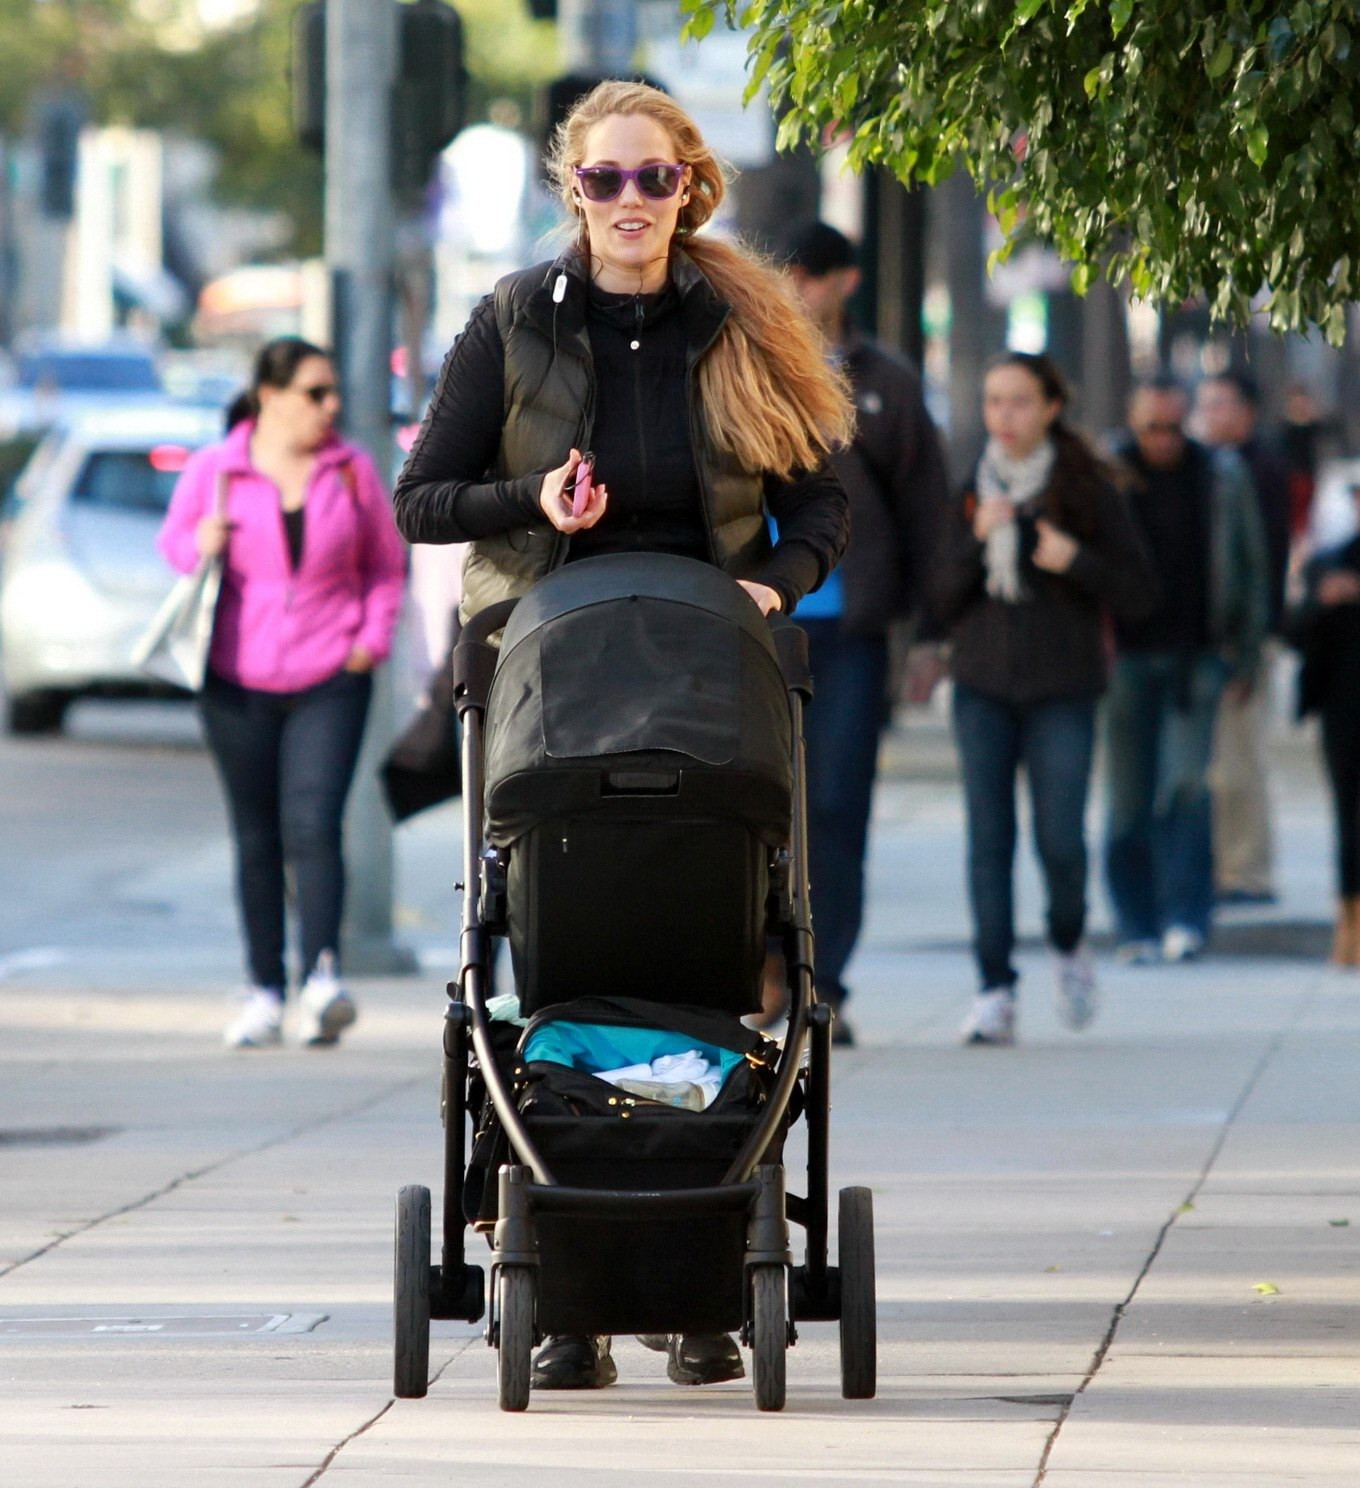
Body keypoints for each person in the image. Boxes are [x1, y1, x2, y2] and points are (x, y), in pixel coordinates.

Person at [393, 82, 852, 1394]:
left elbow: (825, 500)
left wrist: (782, 579)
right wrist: (533, 496)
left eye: (655, 179)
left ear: (690, 184)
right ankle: (572, 1296)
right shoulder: (512, 322)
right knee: (557, 940)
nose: (633, 203)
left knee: (715, 938)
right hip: (552, 666)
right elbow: (424, 494)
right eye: (606, 181)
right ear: (570, 190)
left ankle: (706, 1277)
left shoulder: (745, 321)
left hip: (710, 663)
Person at [157, 338, 407, 1049]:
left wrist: (370, 642)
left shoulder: (352, 471)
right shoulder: (217, 471)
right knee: (257, 836)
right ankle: (265, 989)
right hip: (235, 677)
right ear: (269, 396)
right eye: (315, 393)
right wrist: (199, 543)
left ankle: (322, 977)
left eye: (333, 394)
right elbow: (173, 549)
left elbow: (387, 569)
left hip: (331, 674)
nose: (330, 407)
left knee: (313, 823)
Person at [931, 353, 1154, 1046]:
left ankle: (1067, 940)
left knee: (1060, 838)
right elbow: (936, 601)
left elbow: (1141, 593)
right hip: (981, 687)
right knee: (988, 840)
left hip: (1063, 687)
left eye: (1020, 402)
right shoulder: (973, 489)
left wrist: (1074, 561)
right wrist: (973, 545)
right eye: (994, 401)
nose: (1005, 416)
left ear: (1052, 407)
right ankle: (995, 988)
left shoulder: (1090, 492)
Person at [778, 220, 950, 1047]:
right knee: (758, 807)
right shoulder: (750, 365)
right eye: (789, 275)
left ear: (843, 281)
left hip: (850, 630)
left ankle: (826, 981)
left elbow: (928, 509)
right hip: (757, 627)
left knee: (839, 806)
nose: (799, 289)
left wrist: (930, 634)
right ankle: (765, 973)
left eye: (811, 276)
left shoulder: (886, 383)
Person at [1104, 375, 1269, 963]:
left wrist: (1246, 653)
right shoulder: (1105, 475)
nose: (1165, 439)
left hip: (1198, 656)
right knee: (1127, 799)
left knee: (1186, 789)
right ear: (1133, 422)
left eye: (1175, 427)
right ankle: (1135, 923)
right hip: (1123, 659)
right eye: (1152, 427)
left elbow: (1250, 566)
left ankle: (1186, 918)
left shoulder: (1221, 475)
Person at [1195, 371, 1292, 906]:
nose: (1213, 415)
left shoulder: (1263, 470)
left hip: (1249, 640)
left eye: (1223, 404)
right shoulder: (1207, 468)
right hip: (1207, 641)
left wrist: (1253, 647)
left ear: (1249, 410)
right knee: (1213, 766)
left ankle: (1248, 871)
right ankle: (1218, 868)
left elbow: (1265, 565)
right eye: (1205, 405)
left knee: (1243, 762)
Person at [1289, 483, 1360, 963]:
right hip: (1345, 706)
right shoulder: (1330, 561)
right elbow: (1293, 632)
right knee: (1348, 816)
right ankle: (1349, 922)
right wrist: (1319, 602)